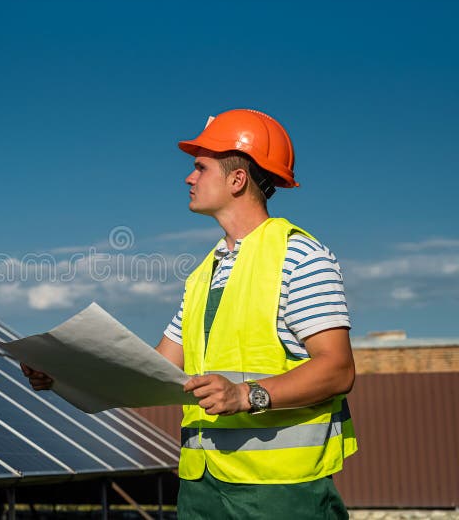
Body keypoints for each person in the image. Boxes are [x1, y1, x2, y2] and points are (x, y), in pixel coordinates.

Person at [22, 108, 357, 519]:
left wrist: (245, 395)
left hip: (280, 493)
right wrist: (64, 376)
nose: (189, 177)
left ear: (237, 180)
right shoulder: (203, 275)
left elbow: (337, 370)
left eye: (200, 167)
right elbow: (152, 373)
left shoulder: (301, 257)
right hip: (202, 487)